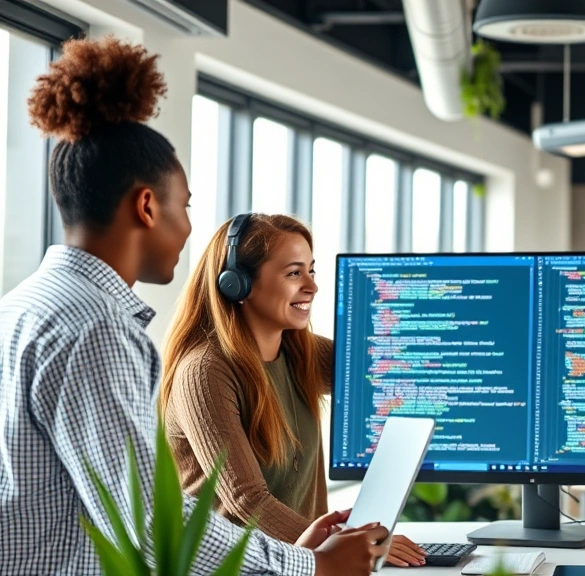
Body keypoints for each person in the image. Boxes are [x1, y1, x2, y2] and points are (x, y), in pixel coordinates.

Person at [0, 36, 386, 576]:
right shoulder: (94, 328)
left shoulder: (26, 307)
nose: (187, 228)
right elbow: (151, 522)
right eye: (185, 207)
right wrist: (313, 566)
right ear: (147, 206)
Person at [159, 213, 427, 568]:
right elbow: (247, 500)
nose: (312, 287)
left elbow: (387, 373)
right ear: (237, 284)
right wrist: (343, 546)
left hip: (299, 565)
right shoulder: (205, 371)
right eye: (293, 273)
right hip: (233, 568)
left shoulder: (299, 351)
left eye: (311, 271)